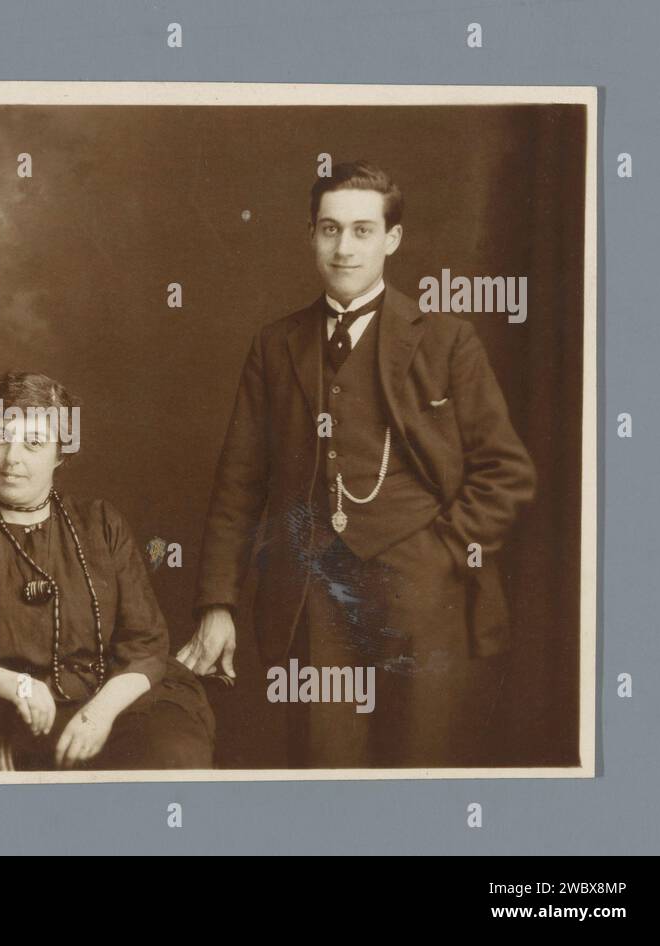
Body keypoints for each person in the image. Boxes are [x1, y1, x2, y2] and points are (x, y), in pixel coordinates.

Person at [178, 161, 536, 768]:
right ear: (311, 235)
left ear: (392, 239)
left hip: (427, 598)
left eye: (363, 230)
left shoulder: (447, 341)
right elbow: (239, 484)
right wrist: (218, 602)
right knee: (326, 774)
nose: (344, 248)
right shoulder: (275, 344)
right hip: (315, 601)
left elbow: (507, 472)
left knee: (422, 770)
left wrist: (444, 551)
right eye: (329, 229)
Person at [0, 372, 214, 770]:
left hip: (119, 700)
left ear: (61, 454)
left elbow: (145, 646)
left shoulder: (100, 524)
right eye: (0, 437)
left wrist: (99, 713)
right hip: (19, 714)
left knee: (172, 754)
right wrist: (9, 683)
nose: (12, 458)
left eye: (34, 443)